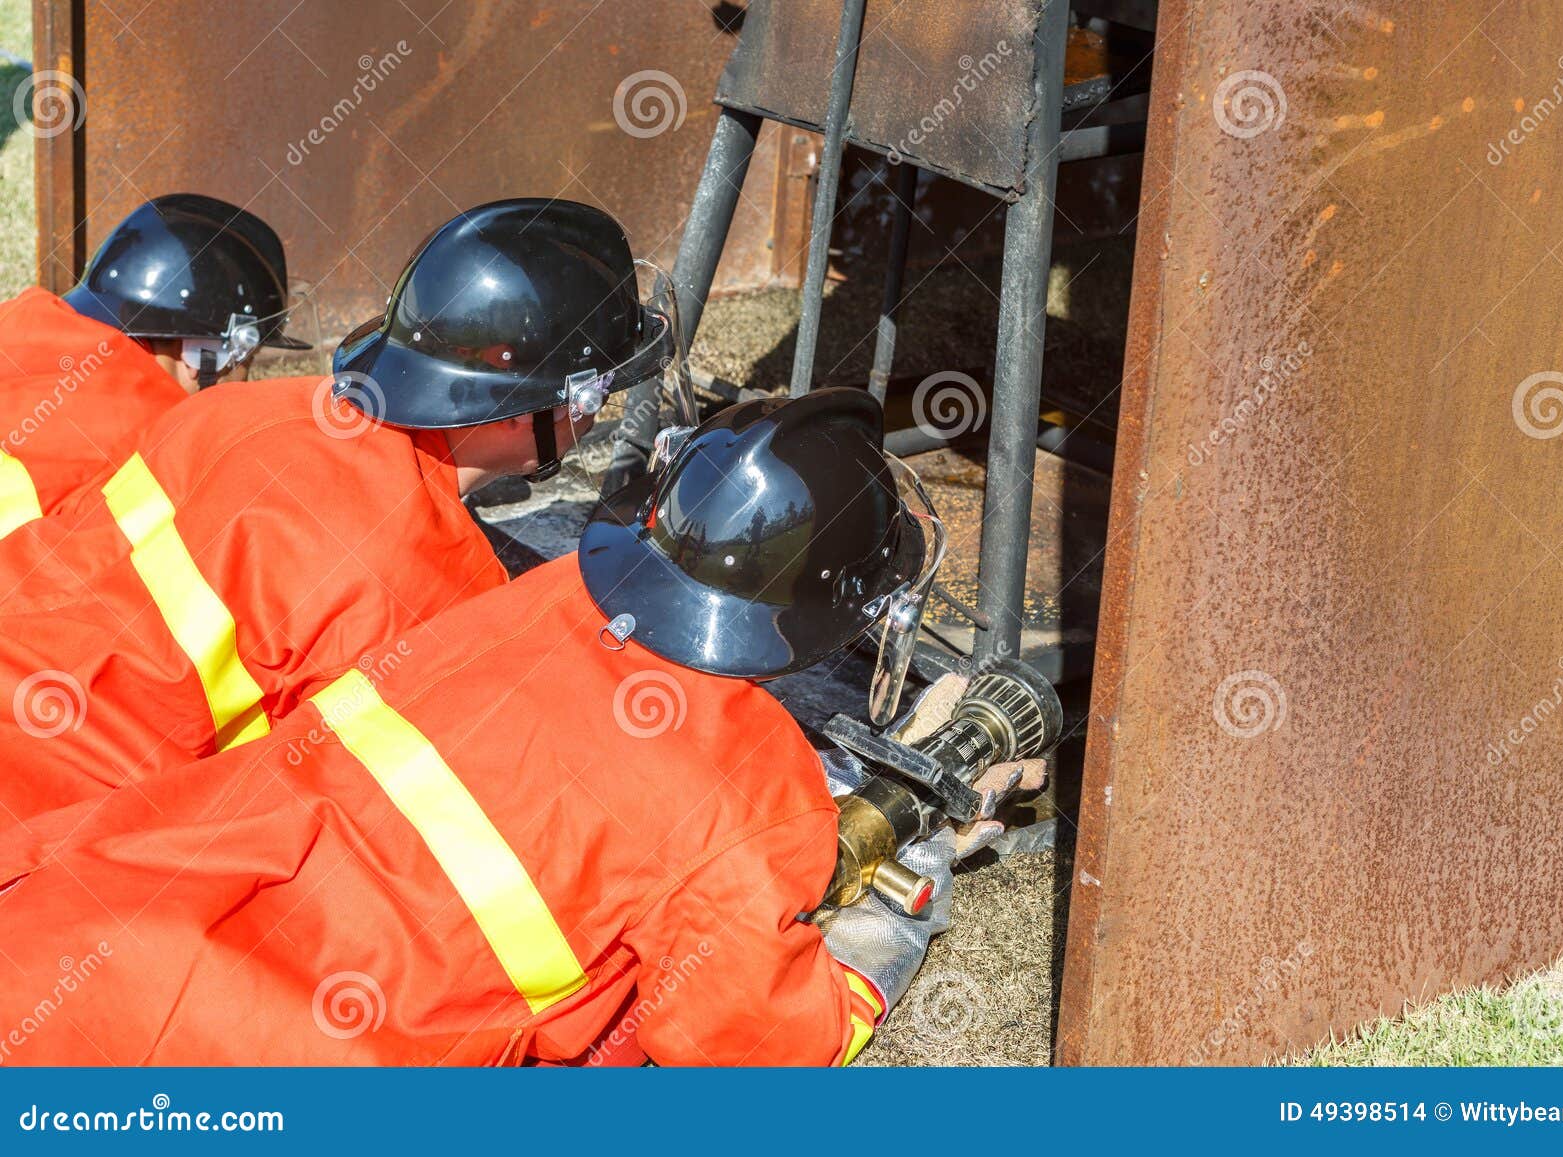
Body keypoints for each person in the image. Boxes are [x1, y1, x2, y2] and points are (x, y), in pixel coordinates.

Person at [0, 389, 1043, 1066]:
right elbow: (743, 1040)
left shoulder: (531, 601)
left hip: (77, 929)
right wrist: (887, 920)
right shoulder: (748, 787)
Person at [0, 198, 675, 825]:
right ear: (537, 405)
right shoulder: (432, 580)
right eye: (604, 393)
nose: (600, 414)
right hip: (49, 809)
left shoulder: (236, 411)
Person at [0, 193, 309, 536]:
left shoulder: (20, 319)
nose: (243, 386)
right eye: (245, 364)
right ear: (204, 356)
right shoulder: (152, 454)